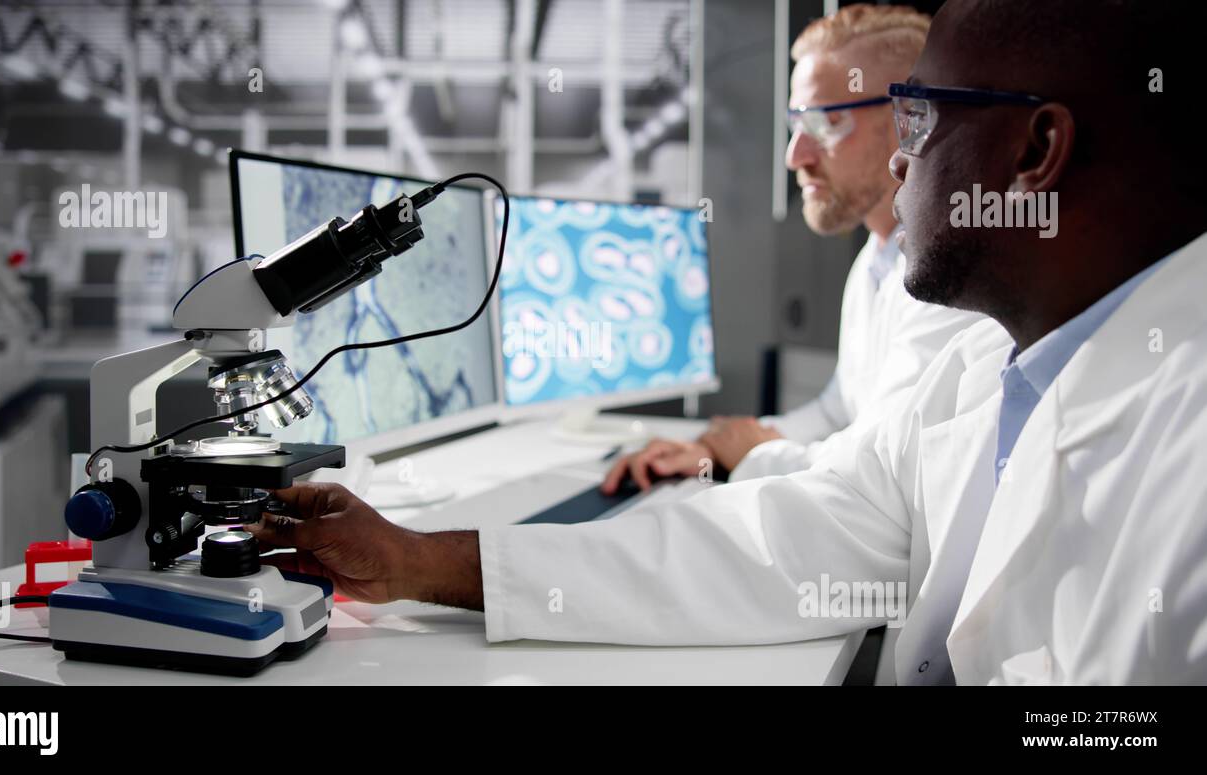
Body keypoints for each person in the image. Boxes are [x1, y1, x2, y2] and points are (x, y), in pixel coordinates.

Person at [249, 0, 1207, 684]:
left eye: (920, 114)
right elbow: (775, 543)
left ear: (1035, 153)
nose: (907, 153)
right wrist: (417, 560)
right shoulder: (981, 371)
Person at [602, 4, 983, 493]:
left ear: (907, 120)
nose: (795, 156)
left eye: (824, 124)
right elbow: (839, 409)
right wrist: (716, 448)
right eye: (795, 124)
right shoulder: (876, 261)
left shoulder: (949, 280)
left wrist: (754, 455)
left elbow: (879, 478)